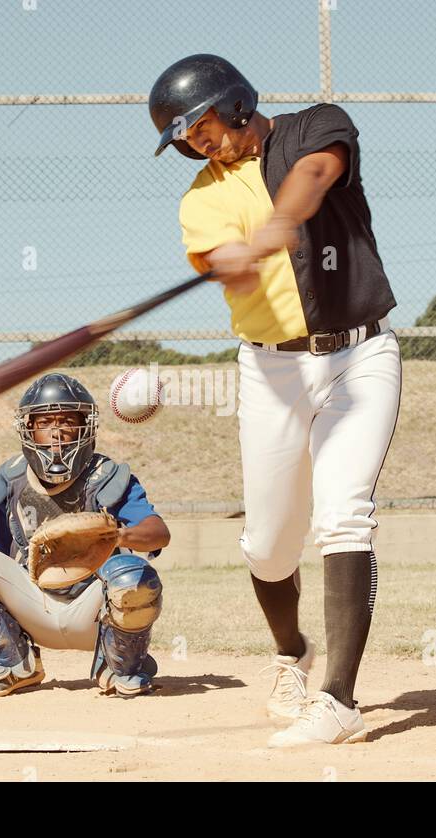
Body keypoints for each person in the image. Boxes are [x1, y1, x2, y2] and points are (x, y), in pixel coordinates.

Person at [150, 54, 402, 745]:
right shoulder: (200, 199)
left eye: (201, 127)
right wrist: (227, 263)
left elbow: (317, 175)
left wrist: (278, 221)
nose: (198, 144)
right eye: (186, 140)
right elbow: (225, 269)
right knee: (266, 545)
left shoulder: (316, 126)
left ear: (233, 103)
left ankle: (340, 701)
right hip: (270, 374)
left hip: (359, 356)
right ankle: (292, 652)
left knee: (344, 512)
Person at [0, 372, 171, 698]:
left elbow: (159, 534)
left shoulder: (106, 477)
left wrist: (118, 536)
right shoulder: (11, 479)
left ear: (87, 426)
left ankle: (119, 665)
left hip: (95, 613)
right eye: (45, 422)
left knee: (133, 575)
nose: (57, 432)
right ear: (29, 429)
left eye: (68, 420)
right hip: (32, 606)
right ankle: (13, 663)